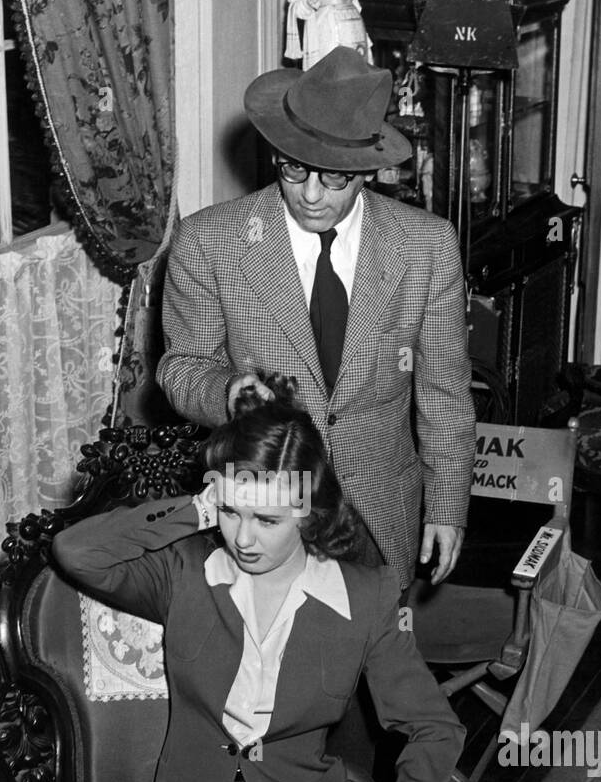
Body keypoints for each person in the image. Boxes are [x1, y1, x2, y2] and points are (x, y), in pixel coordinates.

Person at [51, 376, 465, 782]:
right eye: (233, 515)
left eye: (267, 519)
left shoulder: (365, 597)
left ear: (309, 509)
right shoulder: (183, 572)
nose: (244, 539)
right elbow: (75, 550)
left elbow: (434, 726)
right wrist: (197, 508)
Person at [158, 44, 476, 594]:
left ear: (370, 169)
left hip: (380, 518)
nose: (310, 195)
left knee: (371, 671)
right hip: (261, 519)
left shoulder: (428, 246)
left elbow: (444, 394)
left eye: (334, 179)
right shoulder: (209, 242)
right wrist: (227, 391)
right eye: (294, 169)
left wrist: (447, 505)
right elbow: (181, 367)